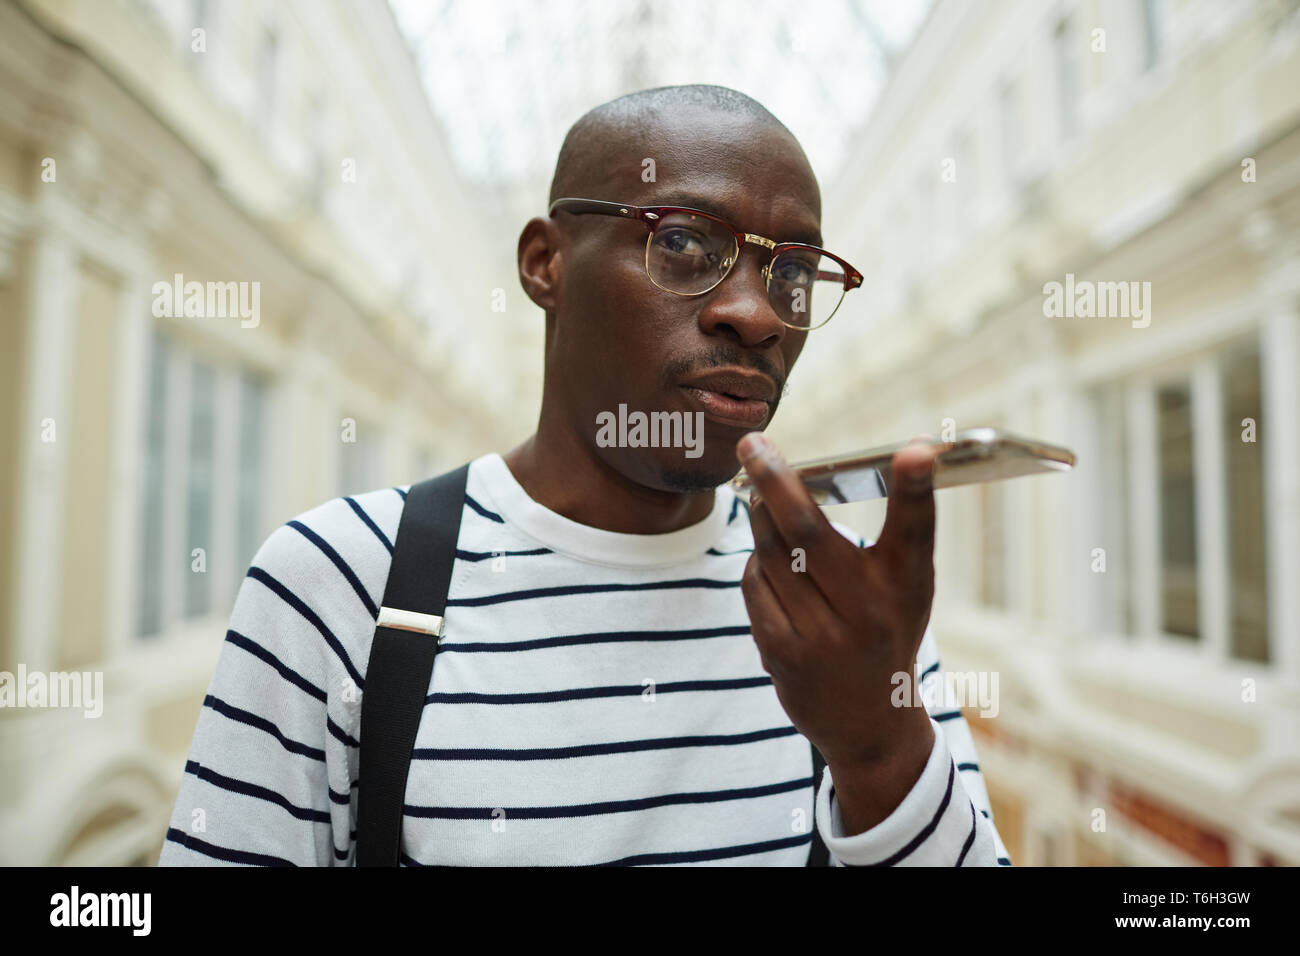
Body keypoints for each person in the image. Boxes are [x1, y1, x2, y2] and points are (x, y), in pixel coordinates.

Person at [160, 84, 1010, 866]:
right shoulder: (345, 583)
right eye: (681, 242)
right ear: (545, 264)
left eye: (791, 272)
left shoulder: (839, 600)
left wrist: (880, 751)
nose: (755, 315)